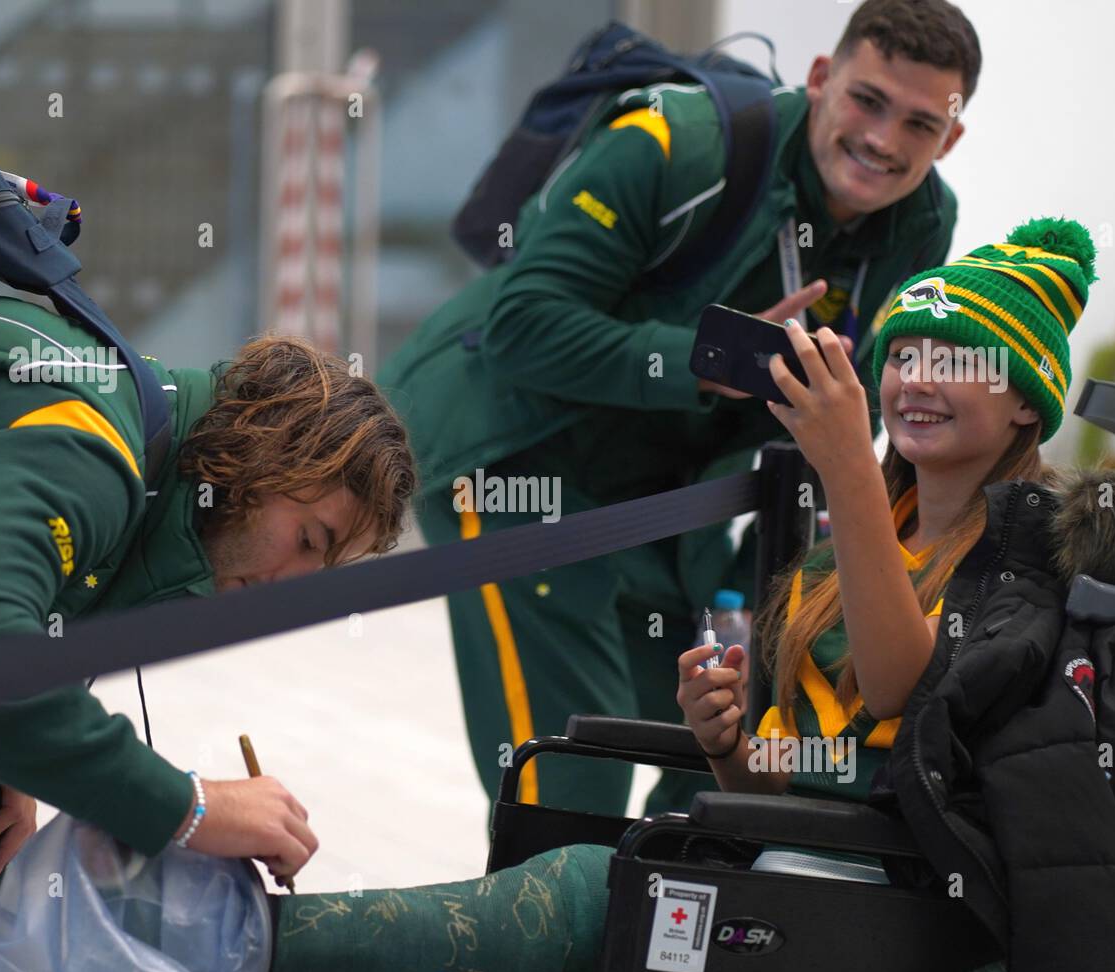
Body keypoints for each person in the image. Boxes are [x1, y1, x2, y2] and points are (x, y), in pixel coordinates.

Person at [261, 218, 1115, 972]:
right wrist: (729, 742)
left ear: (1028, 405)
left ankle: (241, 943)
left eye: (959, 360)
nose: (919, 378)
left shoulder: (1040, 551)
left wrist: (845, 469)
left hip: (916, 913)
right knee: (567, 888)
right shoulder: (836, 560)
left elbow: (899, 693)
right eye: (906, 354)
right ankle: (236, 941)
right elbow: (793, 777)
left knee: (577, 895)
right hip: (794, 885)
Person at [378, 0, 980, 820]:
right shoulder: (674, 143)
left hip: (665, 495)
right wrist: (707, 364)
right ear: (819, 80)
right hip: (511, 457)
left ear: (949, 140)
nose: (883, 139)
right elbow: (521, 325)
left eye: (918, 122)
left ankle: (632, 940)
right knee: (576, 778)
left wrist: (757, 591)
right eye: (867, 100)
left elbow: (846, 410)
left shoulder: (924, 223)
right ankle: (522, 944)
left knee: (717, 746)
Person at [0, 289, 416, 972]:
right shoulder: (88, 439)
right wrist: (187, 807)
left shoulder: (154, 472)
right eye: (309, 538)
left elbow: (1, 625)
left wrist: (24, 743)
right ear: (261, 455)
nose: (296, 584)